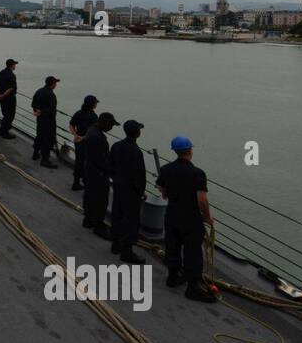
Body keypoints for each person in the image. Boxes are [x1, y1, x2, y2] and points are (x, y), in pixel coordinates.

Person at [154, 135, 216, 303]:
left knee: (172, 247)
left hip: (172, 215)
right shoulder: (198, 173)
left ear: (175, 151)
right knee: (193, 252)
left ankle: (172, 278)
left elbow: (163, 191)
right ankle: (192, 288)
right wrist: (208, 218)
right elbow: (202, 199)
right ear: (190, 151)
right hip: (191, 219)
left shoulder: (166, 169)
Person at [108, 119, 147, 264]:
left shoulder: (116, 146)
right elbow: (140, 175)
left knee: (117, 215)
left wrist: (116, 180)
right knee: (131, 221)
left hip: (118, 187)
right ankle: (127, 252)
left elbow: (110, 165)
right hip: (131, 192)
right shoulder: (136, 152)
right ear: (137, 133)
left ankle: (115, 245)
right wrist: (140, 191)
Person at [81, 112, 115, 236]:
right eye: (110, 125)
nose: (111, 128)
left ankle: (88, 220)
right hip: (98, 174)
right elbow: (101, 160)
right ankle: (98, 226)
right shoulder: (97, 137)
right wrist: (111, 171)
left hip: (90, 170)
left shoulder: (91, 130)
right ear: (104, 123)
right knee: (100, 200)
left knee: (89, 196)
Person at [68, 95, 99, 192]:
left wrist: (76, 135)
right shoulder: (94, 117)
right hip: (87, 143)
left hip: (78, 141)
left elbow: (71, 125)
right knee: (88, 162)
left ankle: (76, 182)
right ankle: (85, 181)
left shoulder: (79, 113)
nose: (96, 104)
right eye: (95, 103)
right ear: (93, 104)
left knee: (79, 162)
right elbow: (93, 132)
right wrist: (83, 138)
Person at [30, 76, 59, 167]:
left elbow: (33, 104)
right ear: (52, 84)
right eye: (55, 83)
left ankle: (35, 154)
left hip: (40, 119)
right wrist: (43, 112)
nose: (56, 85)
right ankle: (45, 159)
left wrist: (37, 111)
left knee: (39, 135)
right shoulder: (50, 94)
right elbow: (52, 109)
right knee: (48, 139)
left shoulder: (39, 91)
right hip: (48, 120)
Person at [0, 59, 19, 138]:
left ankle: (1, 131)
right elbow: (11, 88)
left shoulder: (1, 73)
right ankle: (4, 132)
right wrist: (4, 95)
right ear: (11, 65)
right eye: (14, 64)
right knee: (10, 115)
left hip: (1, 98)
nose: (15, 66)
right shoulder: (11, 75)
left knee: (5, 114)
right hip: (9, 98)